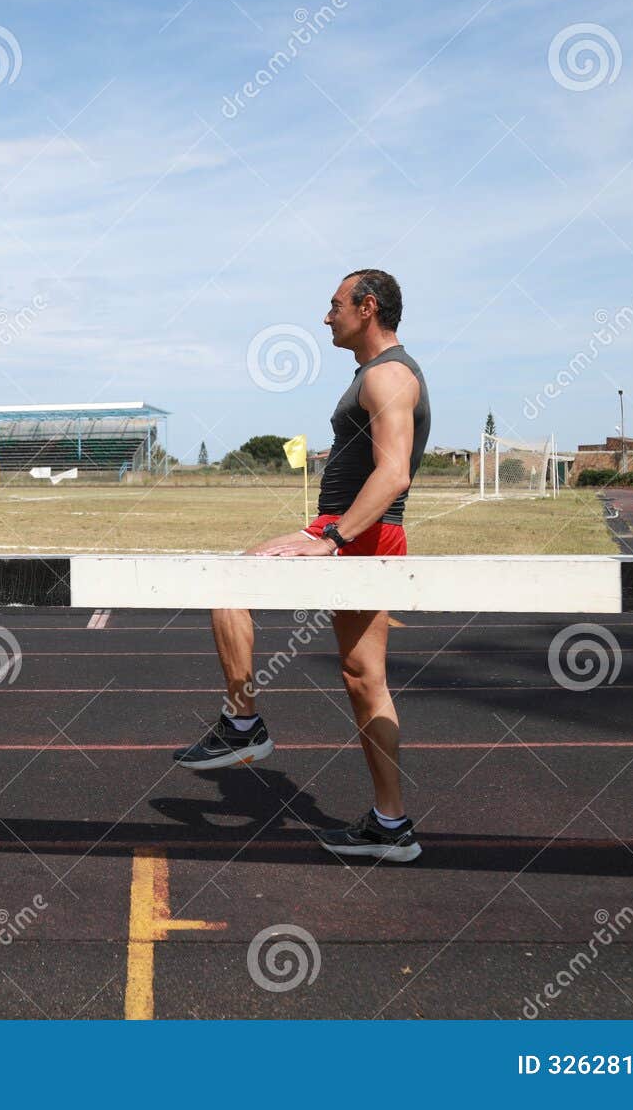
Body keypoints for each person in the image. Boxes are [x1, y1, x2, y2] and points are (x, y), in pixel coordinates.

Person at [172, 269, 430, 863]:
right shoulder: (378, 374)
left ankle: (243, 724)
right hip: (365, 533)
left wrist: (332, 537)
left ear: (367, 308)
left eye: (335, 304)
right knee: (365, 680)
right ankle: (391, 825)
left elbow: (394, 474)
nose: (326, 316)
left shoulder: (389, 375)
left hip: (355, 531)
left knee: (229, 581)